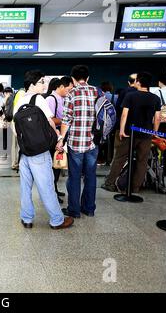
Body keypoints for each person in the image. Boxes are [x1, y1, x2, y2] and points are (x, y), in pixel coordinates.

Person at [14, 70, 73, 230]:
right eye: (41, 81)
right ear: (32, 84)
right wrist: (59, 139)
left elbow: (15, 128)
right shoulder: (39, 99)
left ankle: (26, 218)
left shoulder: (19, 100)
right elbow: (51, 123)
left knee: (25, 187)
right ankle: (57, 220)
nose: (44, 85)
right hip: (39, 151)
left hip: (25, 152)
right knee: (46, 186)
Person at [102, 72, 161, 193]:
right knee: (142, 161)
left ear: (138, 82)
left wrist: (122, 130)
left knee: (120, 158)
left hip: (129, 132)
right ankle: (135, 187)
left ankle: (110, 183)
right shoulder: (155, 98)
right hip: (146, 133)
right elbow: (157, 117)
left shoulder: (131, 96)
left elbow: (124, 114)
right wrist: (154, 132)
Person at [56, 65, 99, 218]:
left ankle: (74, 210)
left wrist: (61, 139)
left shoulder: (71, 93)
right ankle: (89, 209)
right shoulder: (97, 92)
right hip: (93, 141)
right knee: (91, 176)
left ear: (73, 79)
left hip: (75, 142)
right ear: (88, 78)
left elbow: (66, 119)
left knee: (74, 177)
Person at [45, 76, 74, 203]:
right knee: (53, 166)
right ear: (61, 86)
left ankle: (55, 190)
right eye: (69, 89)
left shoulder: (61, 99)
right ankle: (51, 193)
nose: (69, 91)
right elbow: (49, 119)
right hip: (54, 137)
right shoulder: (51, 99)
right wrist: (66, 121)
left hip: (60, 136)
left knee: (57, 165)